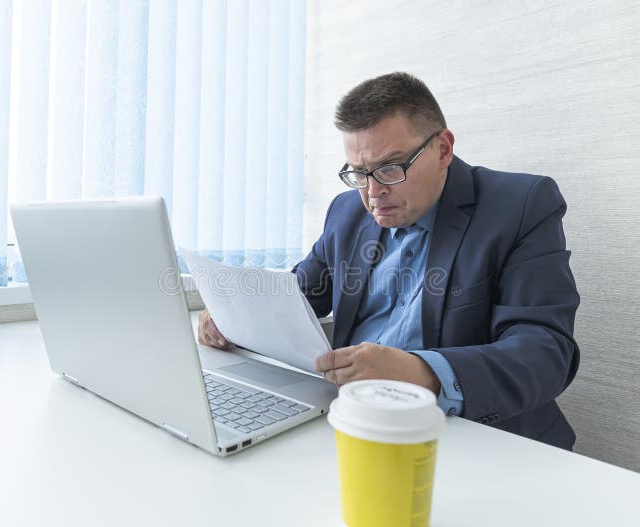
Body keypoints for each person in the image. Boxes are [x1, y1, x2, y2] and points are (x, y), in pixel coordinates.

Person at [198, 72, 580, 450]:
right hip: (357, 423)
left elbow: (545, 353)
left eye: (390, 168)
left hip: (475, 440)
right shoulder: (347, 212)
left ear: (443, 150)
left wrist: (424, 372)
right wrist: (231, 312)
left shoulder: (520, 205)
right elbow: (300, 293)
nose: (373, 193)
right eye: (359, 173)